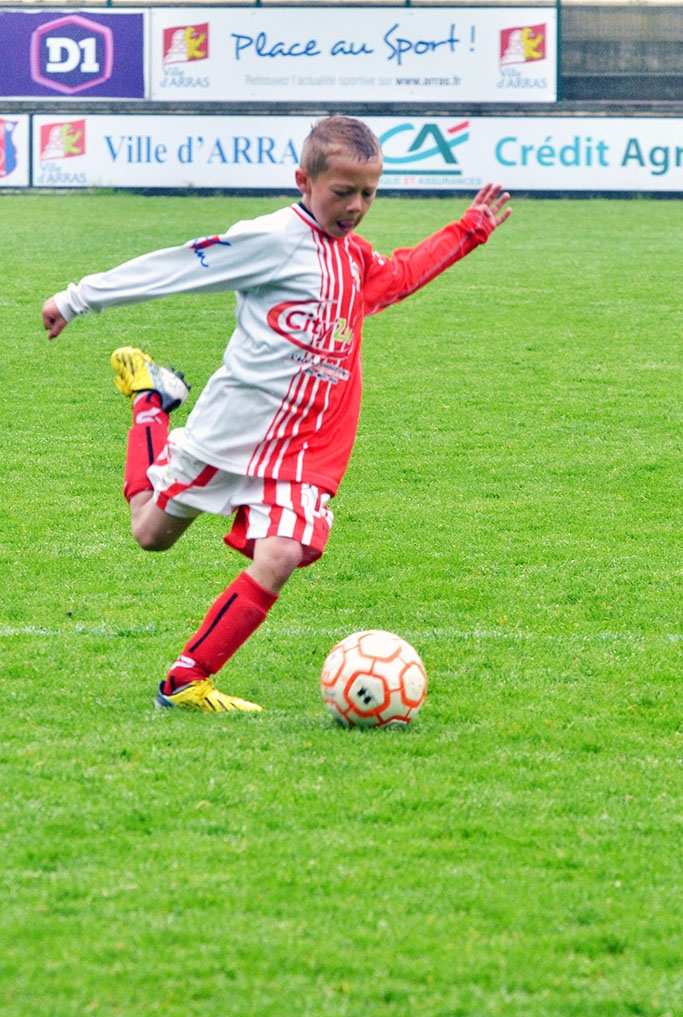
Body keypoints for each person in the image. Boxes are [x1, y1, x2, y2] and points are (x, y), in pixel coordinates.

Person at [42, 115, 511, 714]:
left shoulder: (353, 257)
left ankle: (187, 679)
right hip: (232, 429)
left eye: (368, 193)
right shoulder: (271, 239)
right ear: (304, 180)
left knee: (281, 554)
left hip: (303, 450)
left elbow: (399, 278)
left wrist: (469, 230)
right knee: (150, 533)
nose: (356, 205)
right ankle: (151, 403)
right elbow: (180, 266)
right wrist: (78, 298)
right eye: (343, 191)